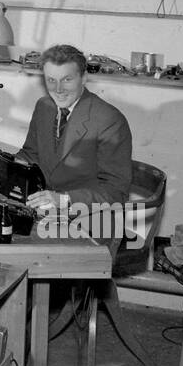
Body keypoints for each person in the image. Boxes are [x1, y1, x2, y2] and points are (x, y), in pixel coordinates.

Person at [16, 43, 132, 236]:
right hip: (46, 217)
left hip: (91, 223)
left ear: (84, 78)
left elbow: (115, 191)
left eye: (67, 79)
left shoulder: (109, 120)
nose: (58, 89)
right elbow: (31, 154)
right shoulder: (44, 106)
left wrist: (62, 200)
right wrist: (3, 168)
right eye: (51, 80)